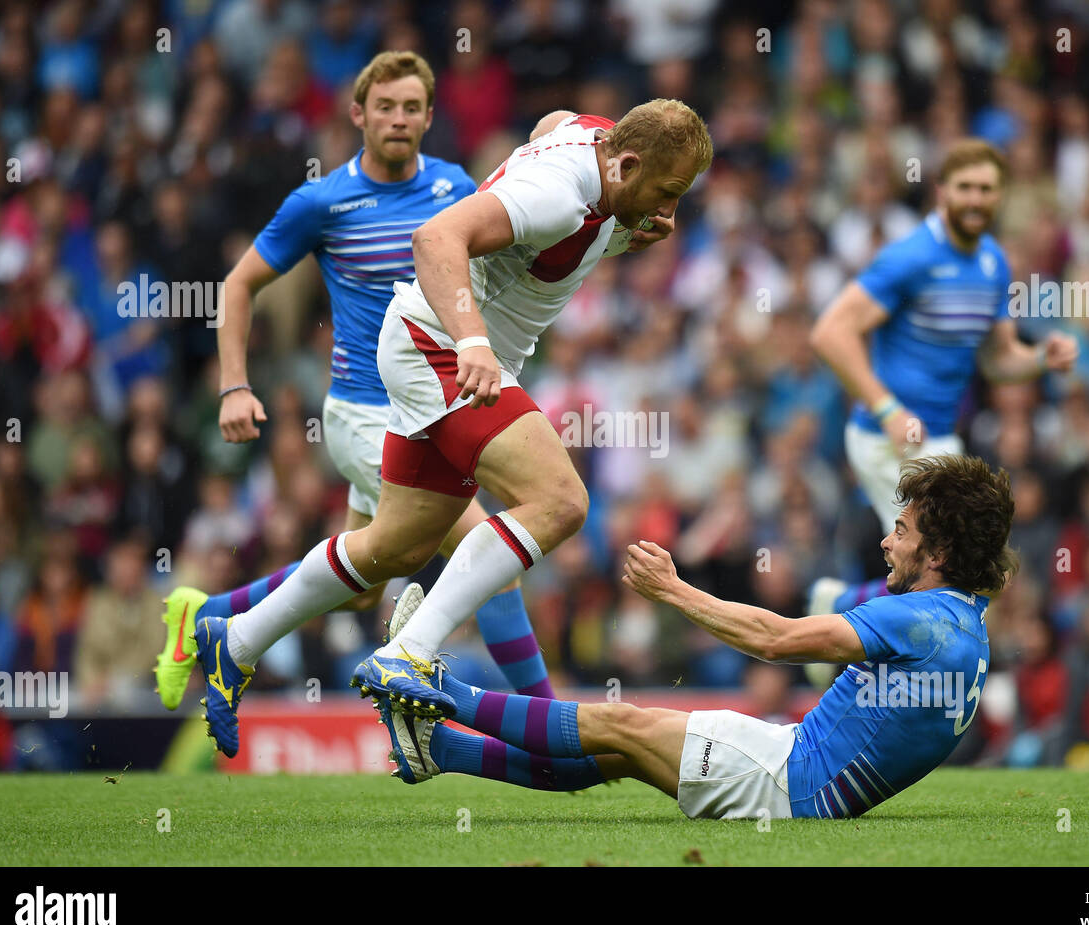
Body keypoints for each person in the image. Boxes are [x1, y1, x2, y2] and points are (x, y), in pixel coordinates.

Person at [191, 99, 714, 757]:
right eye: (665, 193)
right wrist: (472, 340)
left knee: (394, 550)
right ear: (628, 161)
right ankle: (408, 653)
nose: (669, 211)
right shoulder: (557, 195)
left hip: (427, 349)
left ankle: (234, 640)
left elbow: (547, 121)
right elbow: (435, 239)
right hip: (440, 347)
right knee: (560, 502)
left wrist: (634, 218)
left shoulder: (595, 145)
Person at [154, 51, 555, 728]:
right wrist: (232, 386)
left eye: (411, 109)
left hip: (435, 404)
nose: (398, 120)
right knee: (488, 547)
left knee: (356, 588)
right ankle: (551, 724)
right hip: (366, 412)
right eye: (385, 107)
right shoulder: (323, 201)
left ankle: (207, 614)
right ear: (358, 115)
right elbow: (238, 284)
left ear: (429, 117)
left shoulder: (455, 189)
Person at [381, 455, 1016, 821]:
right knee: (614, 755)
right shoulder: (963, 623)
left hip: (787, 782)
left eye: (901, 531)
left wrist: (672, 589)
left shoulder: (922, 619)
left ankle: (434, 686)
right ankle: (440, 750)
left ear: (941, 550)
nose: (887, 539)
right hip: (795, 764)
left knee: (622, 727)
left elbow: (775, 638)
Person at [806, 138, 1077, 617]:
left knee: (967, 575)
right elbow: (830, 334)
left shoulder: (993, 263)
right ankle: (849, 628)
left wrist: (1040, 360)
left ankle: (842, 607)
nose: (976, 199)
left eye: (987, 189)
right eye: (965, 187)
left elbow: (996, 359)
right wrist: (887, 408)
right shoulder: (910, 258)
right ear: (941, 191)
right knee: (953, 569)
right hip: (889, 439)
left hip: (940, 440)